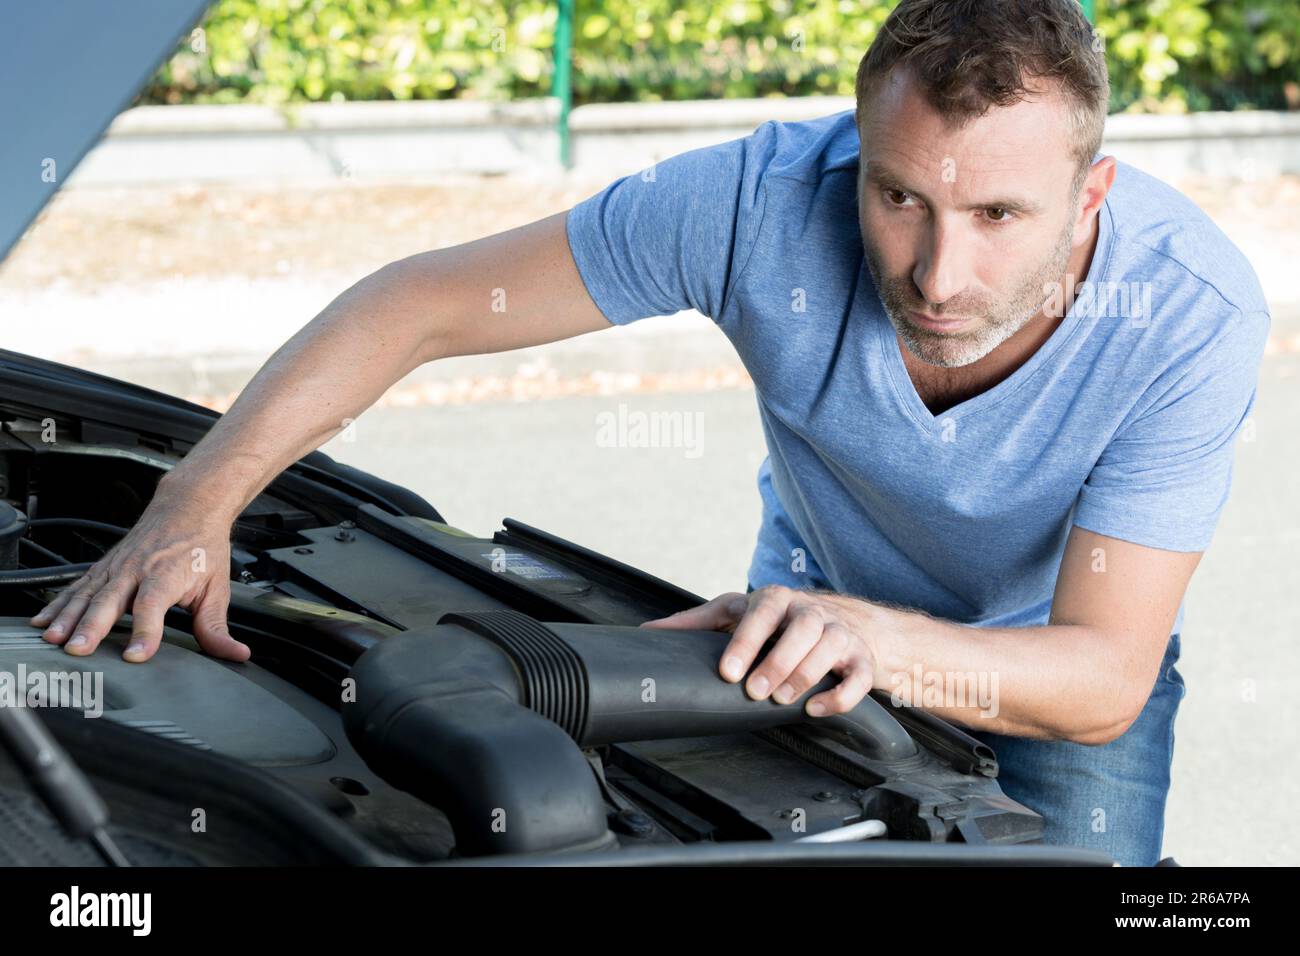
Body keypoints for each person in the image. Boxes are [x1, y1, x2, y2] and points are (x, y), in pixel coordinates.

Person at [32, 0, 1268, 866]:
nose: (940, 270)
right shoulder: (754, 203)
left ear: (1091, 192)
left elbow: (1101, 677)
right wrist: (197, 499)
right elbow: (420, 305)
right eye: (900, 197)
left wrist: (880, 642)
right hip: (807, 613)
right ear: (856, 154)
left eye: (1000, 212)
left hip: (1041, 663)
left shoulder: (1184, 315)